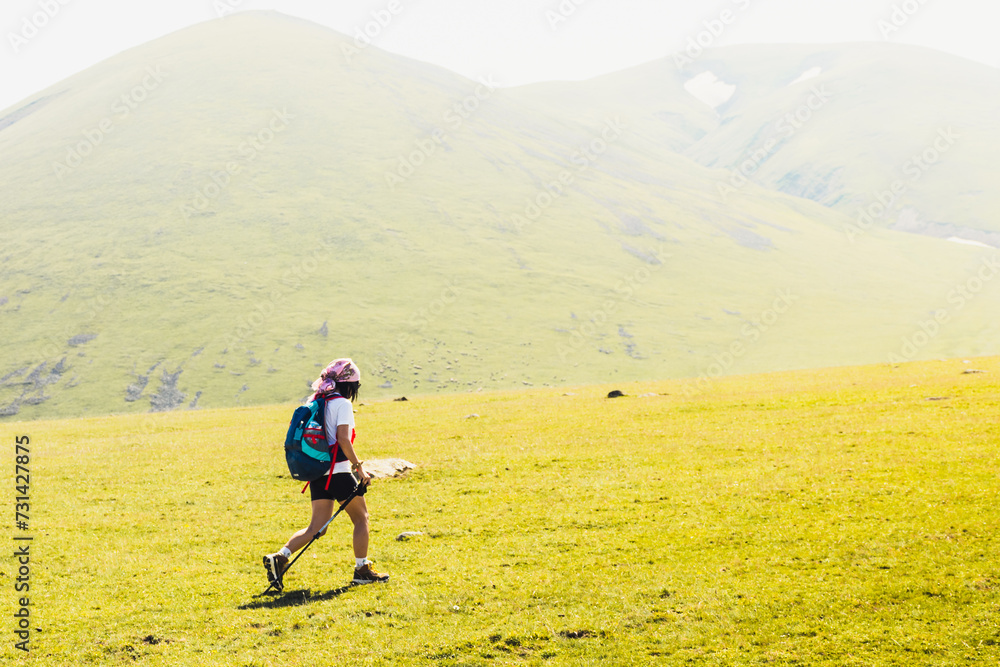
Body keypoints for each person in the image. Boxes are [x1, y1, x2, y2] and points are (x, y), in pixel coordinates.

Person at [263, 358, 389, 590]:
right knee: (361, 519)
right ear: (349, 385)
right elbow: (343, 439)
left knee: (316, 528)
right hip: (338, 473)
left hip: (318, 473)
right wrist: (359, 468)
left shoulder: (317, 401)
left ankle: (280, 557)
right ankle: (362, 569)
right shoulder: (342, 404)